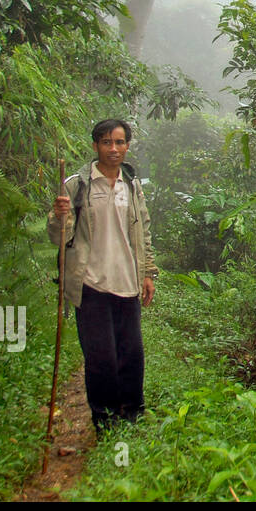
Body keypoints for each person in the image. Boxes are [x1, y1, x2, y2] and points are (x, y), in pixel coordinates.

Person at [47, 119, 159, 433]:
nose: (114, 149)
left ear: (127, 146)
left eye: (120, 142)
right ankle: (105, 420)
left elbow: (143, 231)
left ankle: (133, 413)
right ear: (96, 145)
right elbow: (58, 237)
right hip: (91, 284)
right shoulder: (76, 185)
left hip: (127, 282)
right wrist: (59, 217)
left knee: (132, 354)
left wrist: (148, 272)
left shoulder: (132, 184)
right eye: (107, 142)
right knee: (100, 358)